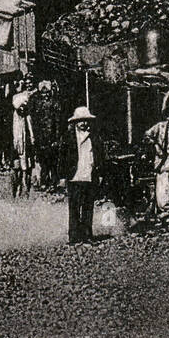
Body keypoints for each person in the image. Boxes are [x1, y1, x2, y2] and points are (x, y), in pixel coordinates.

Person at [61, 106, 102, 244]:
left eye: (86, 121)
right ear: (75, 123)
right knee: (74, 207)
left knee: (88, 206)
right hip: (74, 176)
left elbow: (99, 156)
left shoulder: (94, 137)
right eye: (81, 121)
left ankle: (87, 235)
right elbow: (62, 158)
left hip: (89, 175)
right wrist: (62, 176)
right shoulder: (69, 138)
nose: (84, 124)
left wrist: (99, 172)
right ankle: (74, 236)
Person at [29, 80, 61, 189]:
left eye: (47, 92)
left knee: (52, 160)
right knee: (43, 160)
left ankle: (53, 182)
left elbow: (57, 122)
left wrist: (56, 138)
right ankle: (44, 181)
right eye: (43, 93)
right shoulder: (37, 104)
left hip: (51, 136)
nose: (45, 95)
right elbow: (34, 120)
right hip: (40, 136)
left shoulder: (55, 103)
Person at [10, 74, 37, 198]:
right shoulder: (14, 115)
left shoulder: (28, 116)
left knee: (27, 164)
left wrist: (32, 137)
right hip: (17, 138)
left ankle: (26, 187)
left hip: (26, 136)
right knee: (16, 164)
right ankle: (16, 187)